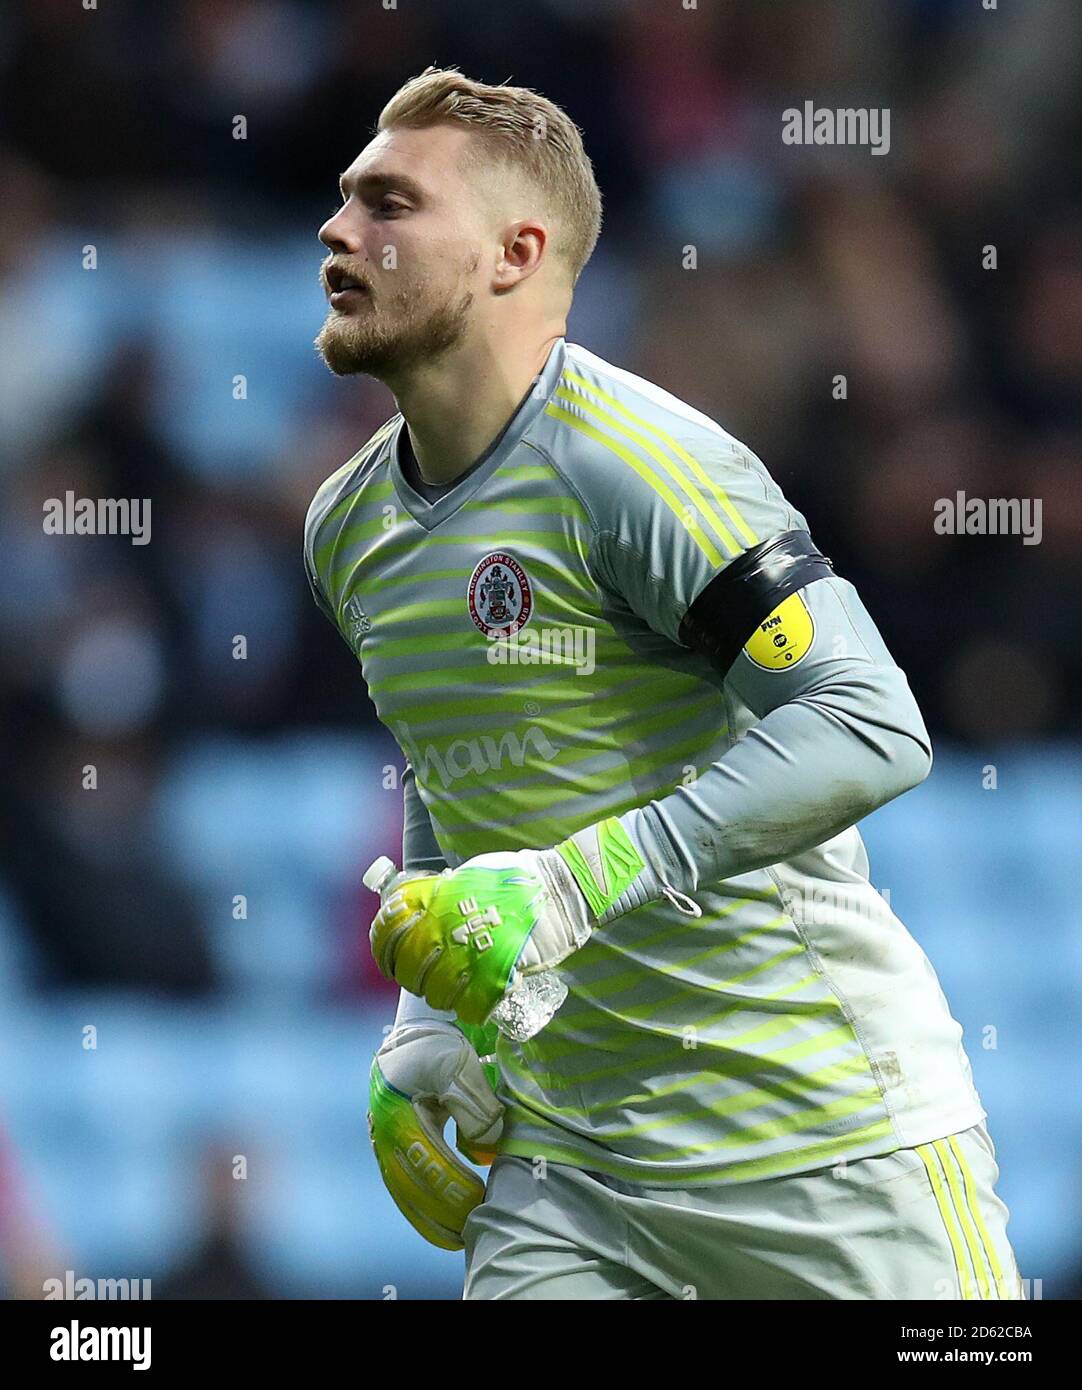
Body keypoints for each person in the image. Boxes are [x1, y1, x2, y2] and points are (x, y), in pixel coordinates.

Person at [305, 66, 1022, 1301]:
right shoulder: (346, 524)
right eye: (343, 198)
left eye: (389, 203)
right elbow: (454, 769)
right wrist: (428, 1017)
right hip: (569, 1182)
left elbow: (868, 725)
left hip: (827, 1144)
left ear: (511, 253)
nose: (337, 228)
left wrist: (579, 879)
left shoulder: (636, 467)